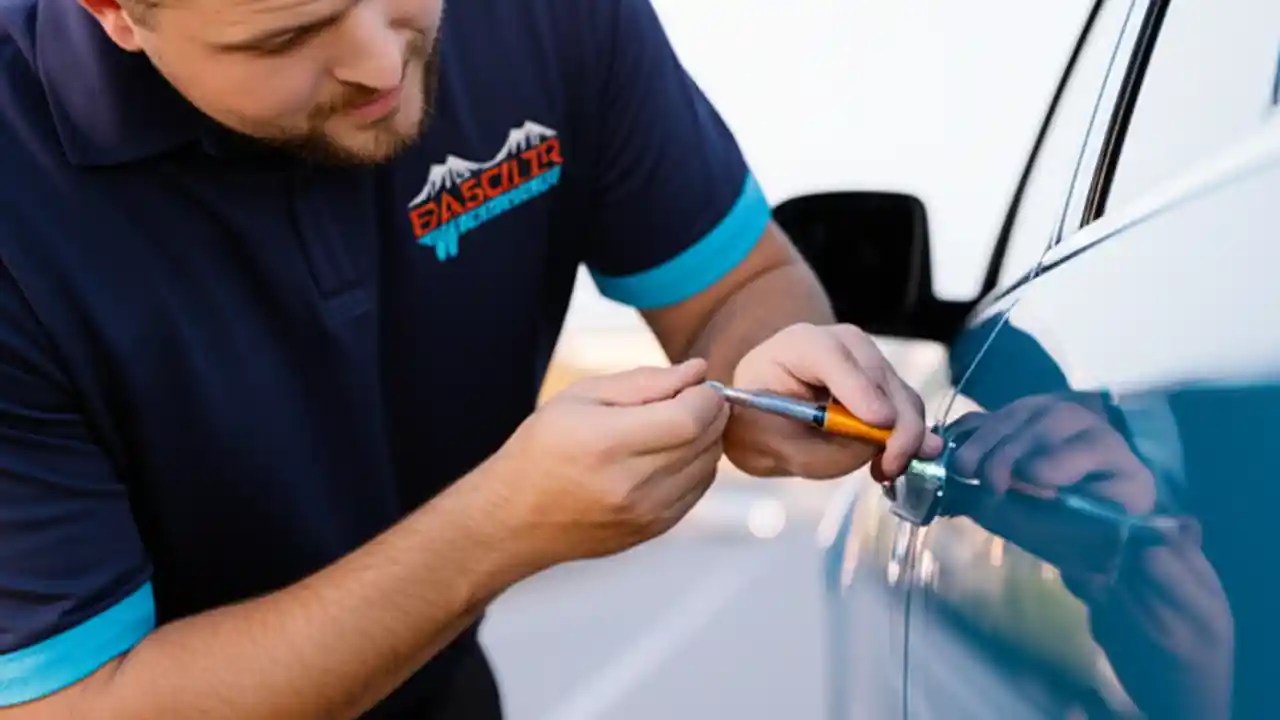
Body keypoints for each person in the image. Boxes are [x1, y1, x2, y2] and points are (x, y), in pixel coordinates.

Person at [0, 0, 941, 716]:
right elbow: (77, 703)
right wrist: (497, 529)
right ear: (115, 13)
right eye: (287, 38)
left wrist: (770, 381)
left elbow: (741, 290)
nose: (381, 60)